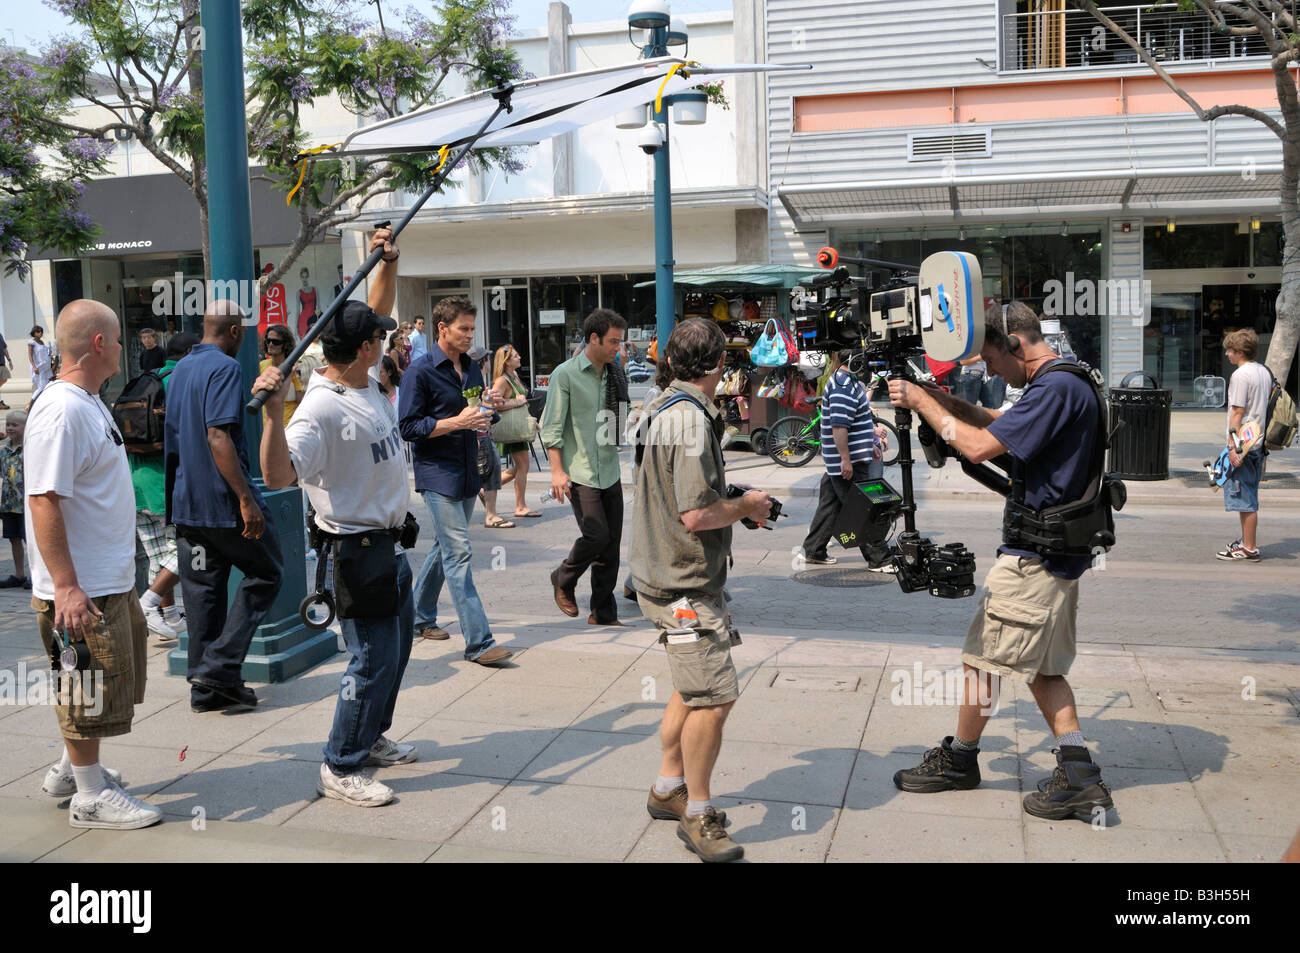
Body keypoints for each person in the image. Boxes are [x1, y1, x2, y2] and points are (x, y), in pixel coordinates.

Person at [887, 300, 1114, 822]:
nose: (988, 370)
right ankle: (1079, 773)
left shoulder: (1055, 387)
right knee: (1043, 669)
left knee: (980, 661)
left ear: (1015, 344)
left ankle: (960, 761)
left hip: (1034, 558)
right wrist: (943, 400)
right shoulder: (1065, 381)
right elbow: (997, 424)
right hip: (1056, 556)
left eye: (990, 359)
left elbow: (978, 447)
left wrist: (924, 404)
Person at [254, 228, 417, 807]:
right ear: (368, 349)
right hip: (355, 552)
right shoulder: (319, 408)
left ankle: (369, 738)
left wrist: (388, 261)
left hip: (391, 545)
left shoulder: (364, 377)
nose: (385, 339)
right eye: (381, 338)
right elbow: (278, 477)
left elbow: (374, 309)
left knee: (396, 653)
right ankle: (340, 763)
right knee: (371, 658)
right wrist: (275, 414)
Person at [630, 318, 772, 863]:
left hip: (661, 573)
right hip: (683, 586)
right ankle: (698, 814)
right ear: (718, 365)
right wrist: (747, 507)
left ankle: (669, 789)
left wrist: (730, 501)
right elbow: (695, 513)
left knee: (690, 689)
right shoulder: (689, 420)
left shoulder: (661, 405)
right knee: (715, 697)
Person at [26, 299, 159, 829]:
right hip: (82, 588)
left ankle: (69, 768)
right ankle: (88, 796)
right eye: (119, 340)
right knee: (84, 686)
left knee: (104, 683)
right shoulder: (63, 409)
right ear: (99, 344)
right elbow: (43, 499)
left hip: (108, 579)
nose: (125, 349)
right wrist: (66, 587)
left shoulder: (87, 401)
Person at [165, 299, 283, 713]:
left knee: (203, 597)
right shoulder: (226, 368)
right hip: (221, 504)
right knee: (268, 572)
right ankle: (219, 666)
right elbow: (219, 437)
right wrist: (246, 498)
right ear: (234, 331)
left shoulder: (180, 368)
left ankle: (207, 689)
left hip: (187, 505)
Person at [398, 296, 512, 665]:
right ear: (442, 328)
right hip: (437, 474)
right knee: (459, 553)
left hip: (467, 471)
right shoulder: (419, 371)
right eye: (464, 329)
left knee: (445, 548)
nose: (469, 336)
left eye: (472, 329)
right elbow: (409, 428)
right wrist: (455, 423)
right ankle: (479, 643)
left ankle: (419, 615)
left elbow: (481, 416)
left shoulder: (473, 368)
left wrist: (489, 408)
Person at [541, 308, 627, 626]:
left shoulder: (615, 374)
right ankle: (563, 578)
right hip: (579, 471)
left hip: (609, 467)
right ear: (594, 338)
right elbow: (551, 426)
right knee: (596, 535)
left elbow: (617, 423)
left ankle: (602, 613)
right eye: (613, 342)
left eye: (620, 342)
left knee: (611, 545)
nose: (618, 348)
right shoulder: (566, 374)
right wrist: (556, 471)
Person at [130, 332, 199, 644]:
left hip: (135, 483)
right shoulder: (183, 381)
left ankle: (168, 615)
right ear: (188, 354)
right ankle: (148, 603)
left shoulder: (146, 379)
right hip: (165, 485)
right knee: (193, 551)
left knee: (159, 554)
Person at [799, 349, 894, 571]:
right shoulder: (843, 385)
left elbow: (855, 423)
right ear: (854, 360)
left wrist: (870, 443)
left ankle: (814, 549)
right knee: (862, 509)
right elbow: (840, 426)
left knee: (830, 505)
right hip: (846, 462)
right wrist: (846, 460)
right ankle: (878, 558)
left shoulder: (848, 382)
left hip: (844, 460)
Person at [1216, 328, 1271, 561]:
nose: (1227, 354)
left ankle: (1249, 547)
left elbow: (1237, 412)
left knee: (1245, 499)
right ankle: (1246, 541)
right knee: (1248, 494)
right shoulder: (1263, 371)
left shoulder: (1240, 375)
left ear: (1239, 351)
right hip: (1256, 442)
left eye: (1230, 350)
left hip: (1243, 445)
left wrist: (1231, 446)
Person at [490, 344, 540, 520]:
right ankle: (520, 506)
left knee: (522, 466)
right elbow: (494, 404)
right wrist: (516, 402)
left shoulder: (514, 376)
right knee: (523, 465)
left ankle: (486, 488)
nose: (519, 358)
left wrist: (531, 421)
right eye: (516, 356)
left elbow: (522, 401)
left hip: (518, 427)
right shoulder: (502, 380)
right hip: (511, 429)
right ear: (507, 361)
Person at [0, 409, 28, 587]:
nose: (10, 428)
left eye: (15, 425)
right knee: (13, 538)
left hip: (27, 504)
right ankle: (19, 574)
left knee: (30, 541)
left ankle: (38, 575)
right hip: (9, 503)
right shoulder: (4, 451)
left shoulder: (30, 449)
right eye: (8, 424)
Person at [259, 325, 305, 427]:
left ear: (285, 345)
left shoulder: (293, 369)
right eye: (268, 340)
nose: (270, 344)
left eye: (275, 342)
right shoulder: (262, 365)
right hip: (265, 427)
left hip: (287, 428)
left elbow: (301, 403)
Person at [28, 326, 54, 398]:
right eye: (38, 332)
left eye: (41, 332)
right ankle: (31, 402)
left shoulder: (42, 342)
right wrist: (34, 367)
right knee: (41, 386)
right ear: (34, 333)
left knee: (48, 385)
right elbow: (29, 356)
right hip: (38, 367)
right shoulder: (31, 343)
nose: (41, 333)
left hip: (46, 367)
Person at [297, 267, 319, 337]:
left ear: (308, 277)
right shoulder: (299, 292)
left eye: (306, 277)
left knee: (315, 340)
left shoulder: (315, 289)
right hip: (303, 320)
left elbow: (319, 306)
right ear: (300, 278)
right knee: (304, 341)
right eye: (303, 277)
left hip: (313, 318)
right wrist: (296, 327)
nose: (304, 279)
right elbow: (297, 311)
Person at [0, 327, 14, 409]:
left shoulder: (0, 335)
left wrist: (9, 360)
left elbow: (4, 348)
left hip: (2, 363)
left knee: (5, 379)